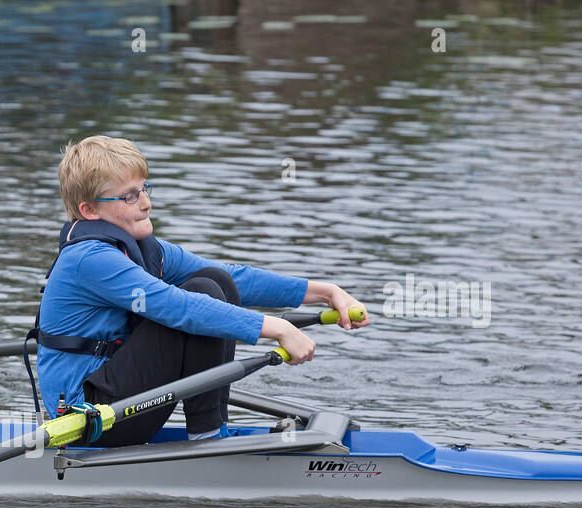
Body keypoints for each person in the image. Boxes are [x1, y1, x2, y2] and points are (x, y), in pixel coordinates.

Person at [34, 135, 368, 447]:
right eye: (130, 196)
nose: (146, 203)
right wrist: (278, 328)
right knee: (201, 295)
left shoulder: (140, 248)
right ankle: (208, 438)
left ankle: (208, 431)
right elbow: (177, 307)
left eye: (144, 189)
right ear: (89, 211)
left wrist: (326, 292)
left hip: (121, 402)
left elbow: (234, 279)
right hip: (86, 419)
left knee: (215, 281)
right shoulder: (89, 258)